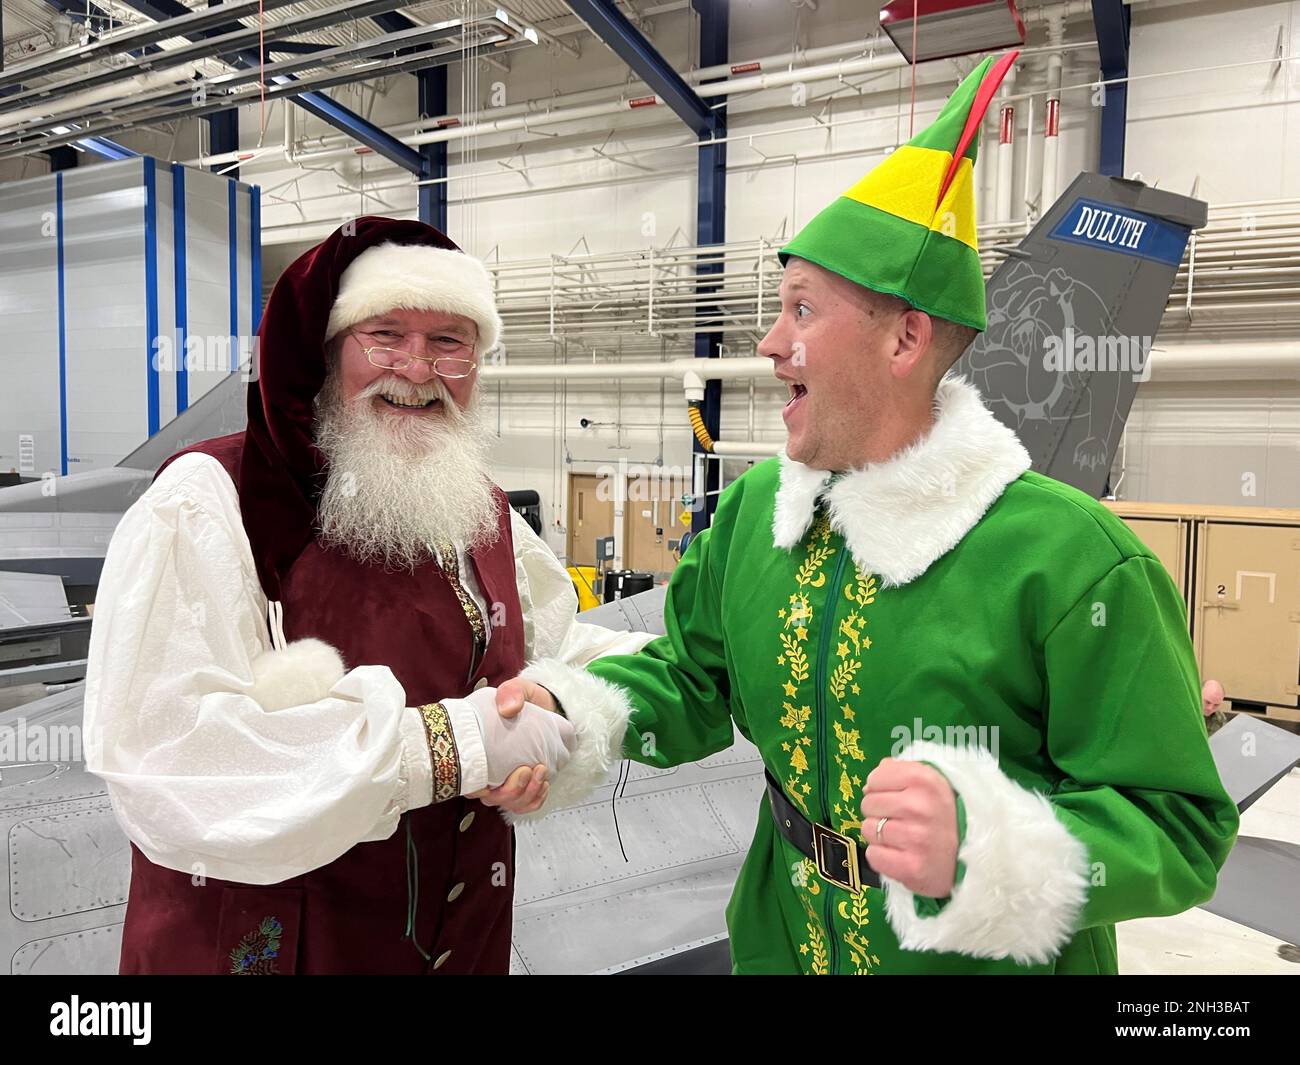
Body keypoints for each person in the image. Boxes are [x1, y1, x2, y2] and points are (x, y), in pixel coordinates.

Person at [490, 53, 1241, 974]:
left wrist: (986, 850)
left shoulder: (1075, 559)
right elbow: (692, 679)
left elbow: (1179, 823)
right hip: (779, 942)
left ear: (905, 337)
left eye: (801, 310)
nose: (769, 345)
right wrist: (572, 712)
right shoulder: (756, 511)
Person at [84, 217, 650, 974]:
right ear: (328, 353)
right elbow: (167, 754)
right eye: (385, 335)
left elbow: (550, 647)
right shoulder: (209, 500)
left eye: (450, 342)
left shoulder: (480, 511)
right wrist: (460, 745)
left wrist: (555, 721)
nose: (418, 369)